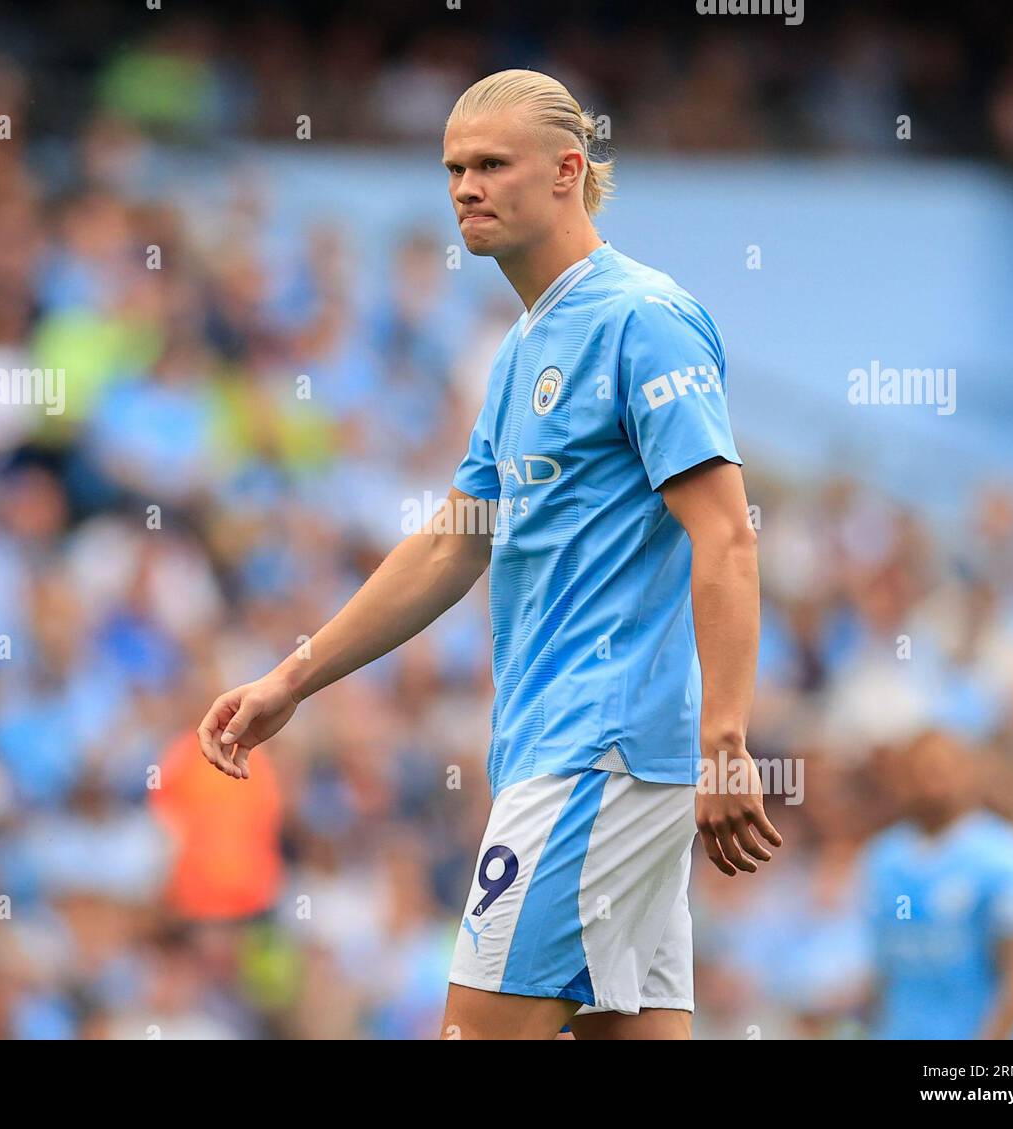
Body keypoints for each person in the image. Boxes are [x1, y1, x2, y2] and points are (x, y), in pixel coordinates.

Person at [197, 68, 780, 1040]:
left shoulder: (642, 318)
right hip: (562, 750)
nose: (465, 185)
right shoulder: (519, 348)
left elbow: (724, 531)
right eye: (454, 168)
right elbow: (454, 543)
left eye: (490, 164)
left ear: (566, 171)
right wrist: (295, 676)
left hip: (600, 755)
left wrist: (725, 741)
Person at [855, 729, 1013, 1039]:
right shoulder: (883, 859)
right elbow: (882, 971)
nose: (929, 783)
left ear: (969, 773)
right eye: (917, 772)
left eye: (939, 770)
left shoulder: (1008, 859)